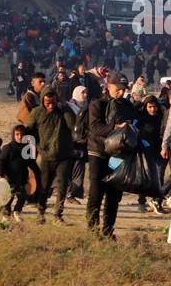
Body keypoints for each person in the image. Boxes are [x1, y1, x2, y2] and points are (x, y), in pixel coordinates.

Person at [85, 72, 136, 239]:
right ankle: (93, 231)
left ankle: (108, 231)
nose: (121, 92)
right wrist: (115, 127)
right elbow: (95, 128)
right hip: (98, 153)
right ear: (109, 86)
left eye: (124, 89)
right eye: (118, 89)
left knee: (114, 195)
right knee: (96, 193)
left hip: (118, 157)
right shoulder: (97, 104)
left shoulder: (127, 106)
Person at [27, 88, 76, 223]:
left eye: (53, 101)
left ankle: (57, 215)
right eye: (47, 102)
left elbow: (72, 124)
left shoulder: (63, 112)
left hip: (64, 154)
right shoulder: (37, 112)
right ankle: (40, 212)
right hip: (46, 155)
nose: (50, 105)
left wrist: (64, 105)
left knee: (62, 185)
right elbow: (29, 131)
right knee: (44, 185)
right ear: (43, 100)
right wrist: (34, 148)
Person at [0, 125, 38, 221]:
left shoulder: (27, 149)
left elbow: (31, 162)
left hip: (22, 178)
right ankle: (6, 215)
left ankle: (17, 212)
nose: (20, 137)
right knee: (8, 198)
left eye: (22, 134)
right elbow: (1, 162)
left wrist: (37, 173)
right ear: (13, 135)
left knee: (23, 196)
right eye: (17, 134)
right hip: (9, 178)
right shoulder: (7, 148)